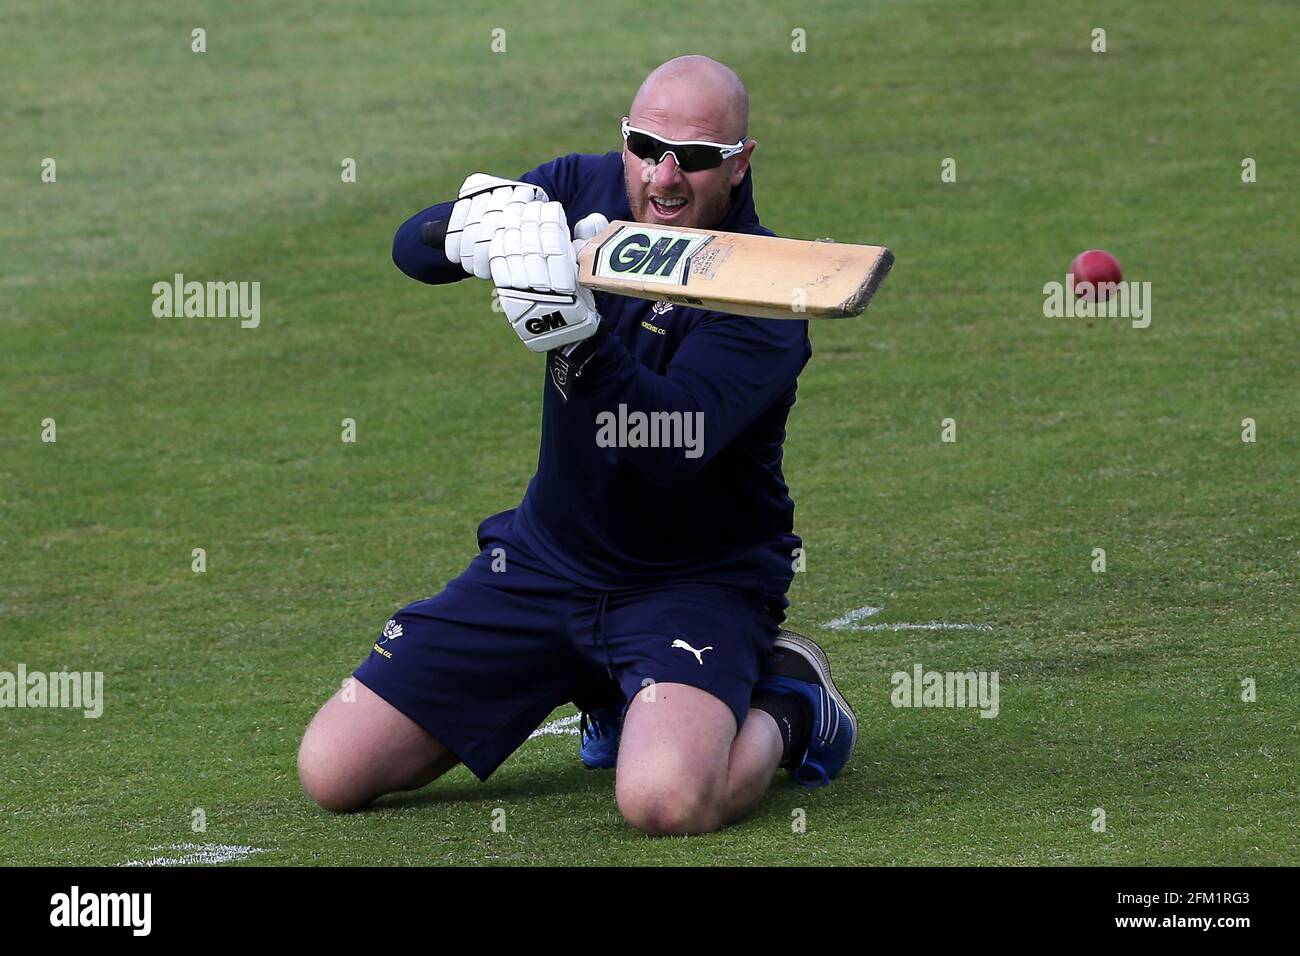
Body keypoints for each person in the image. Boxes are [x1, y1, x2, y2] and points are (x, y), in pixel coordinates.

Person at [297, 55, 856, 836]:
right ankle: (606, 692)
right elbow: (409, 250)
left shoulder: (767, 291)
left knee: (665, 803)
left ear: (740, 164)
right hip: (542, 564)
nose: (663, 178)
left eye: (694, 159)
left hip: (692, 583)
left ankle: (794, 702)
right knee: (333, 771)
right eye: (644, 146)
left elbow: (670, 442)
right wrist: (473, 231)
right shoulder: (579, 186)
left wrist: (581, 339)